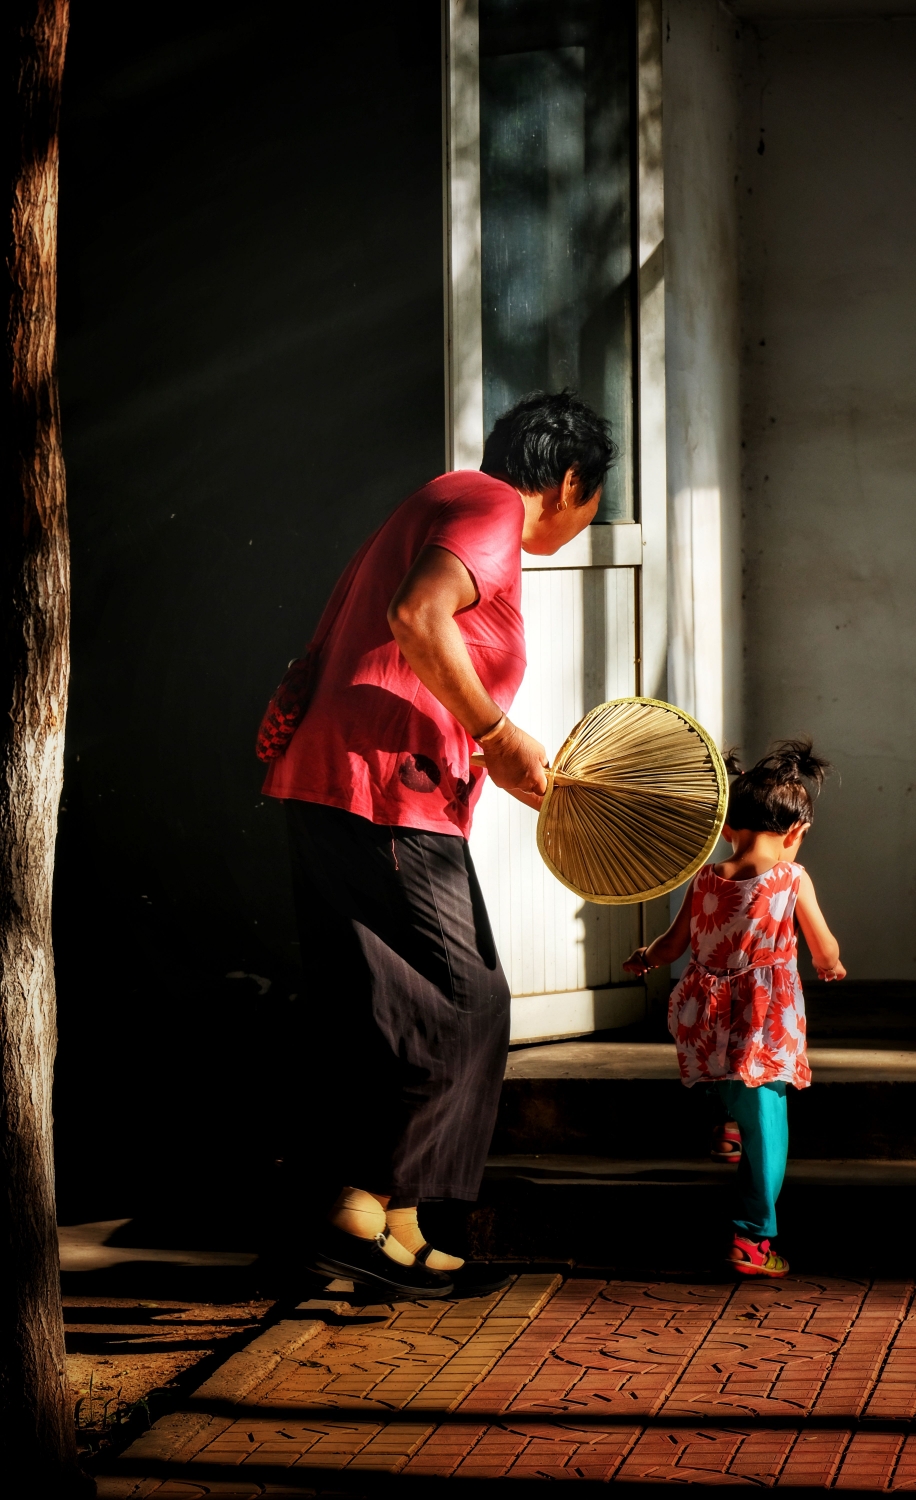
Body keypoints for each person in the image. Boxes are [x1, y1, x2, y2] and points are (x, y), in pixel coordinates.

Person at [262, 391, 615, 1300]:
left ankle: (400, 1230)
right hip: (383, 791)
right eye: (594, 501)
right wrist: (497, 734)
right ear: (569, 480)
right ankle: (359, 1207)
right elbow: (418, 621)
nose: (589, 520)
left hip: (340, 787)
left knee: (391, 1011)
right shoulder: (492, 504)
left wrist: (491, 745)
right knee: (470, 1002)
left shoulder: (442, 501)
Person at [624, 740, 846, 1278]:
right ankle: (753, 1239)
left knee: (726, 1072)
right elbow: (823, 946)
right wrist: (831, 965)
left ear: (728, 829)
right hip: (763, 1019)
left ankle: (727, 1122)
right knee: (769, 1116)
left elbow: (673, 945)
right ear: (793, 834)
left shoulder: (706, 877)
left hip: (709, 1012)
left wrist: (647, 958)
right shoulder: (792, 878)